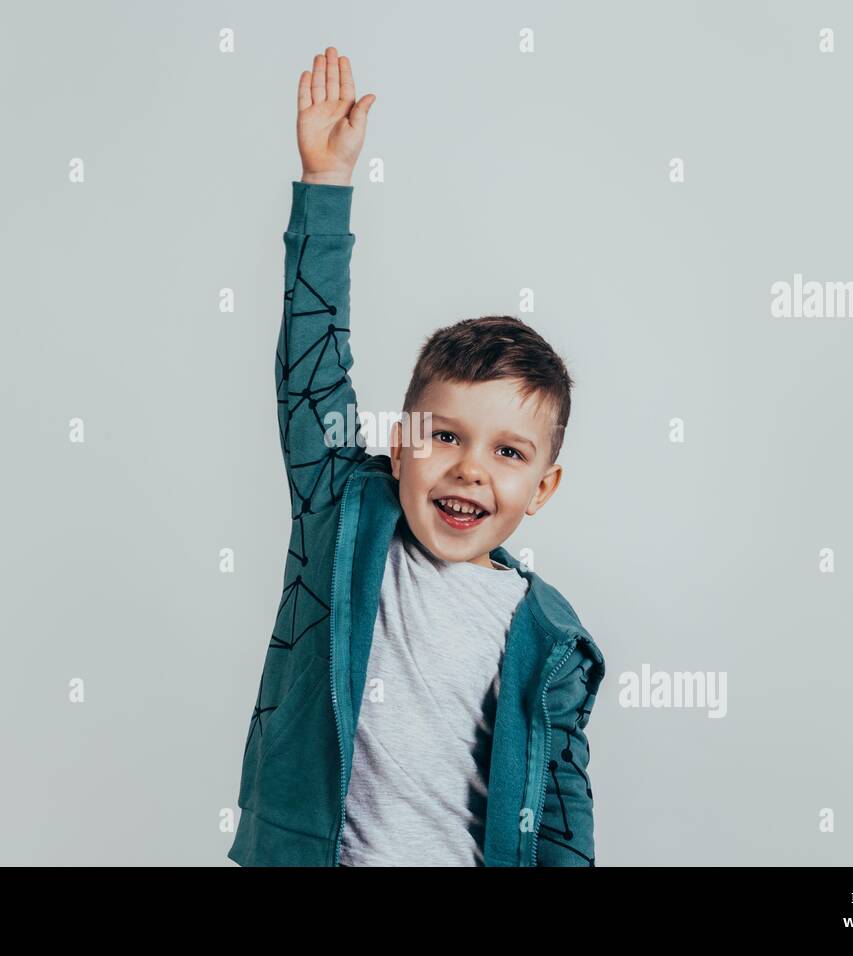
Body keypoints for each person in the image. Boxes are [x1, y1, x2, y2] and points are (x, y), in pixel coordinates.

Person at [229, 46, 606, 867]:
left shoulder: (551, 639)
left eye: (506, 452)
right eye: (445, 436)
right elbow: (311, 378)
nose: (470, 468)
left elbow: (563, 816)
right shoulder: (345, 510)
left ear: (542, 488)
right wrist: (325, 189)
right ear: (398, 443)